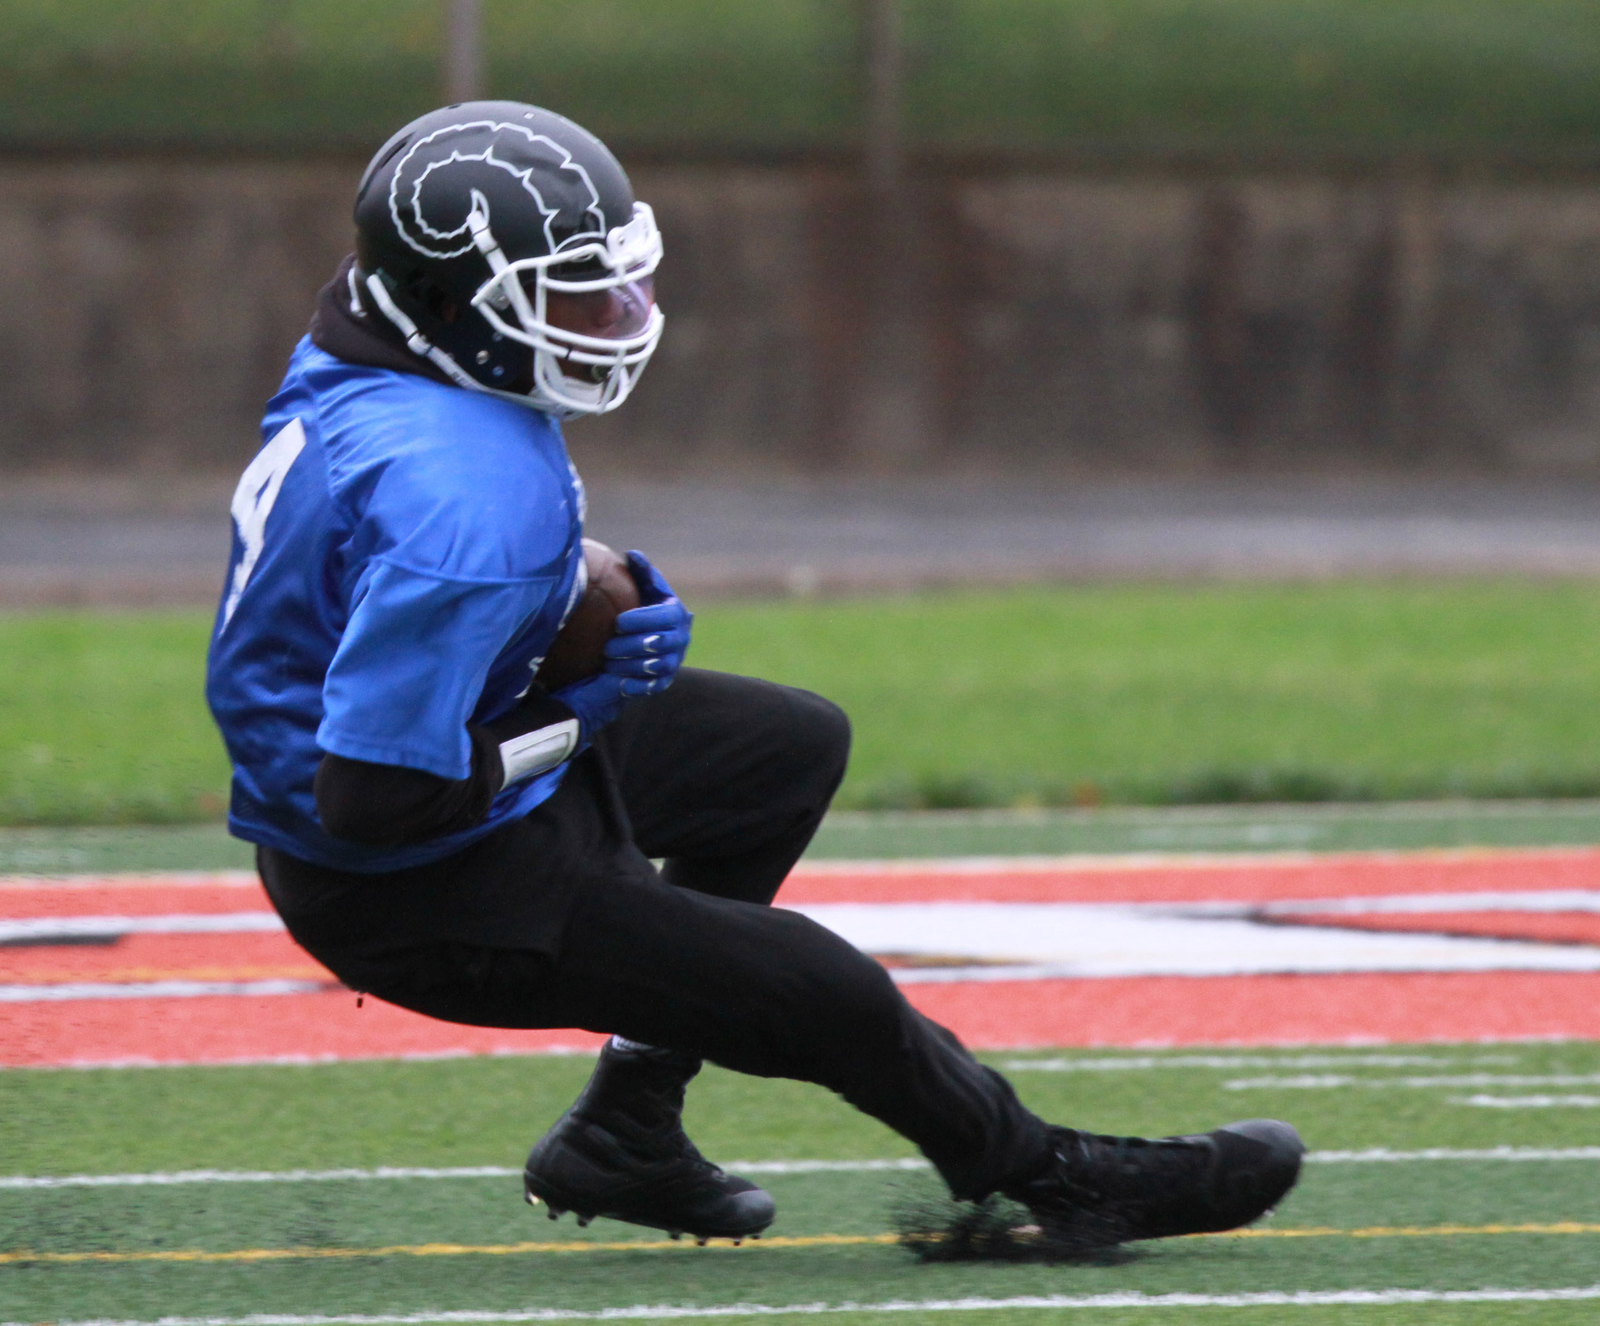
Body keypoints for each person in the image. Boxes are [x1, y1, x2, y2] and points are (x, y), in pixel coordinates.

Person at [206, 101, 1302, 1252]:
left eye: (612, 278)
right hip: (410, 872)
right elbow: (377, 798)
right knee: (815, 987)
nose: (615, 317)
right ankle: (1054, 1176)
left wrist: (546, 612)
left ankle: (627, 1128)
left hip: (424, 743)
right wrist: (576, 701)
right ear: (447, 303)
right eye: (568, 290)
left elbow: (388, 554)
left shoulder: (373, 336)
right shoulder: (466, 503)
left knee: (781, 748)